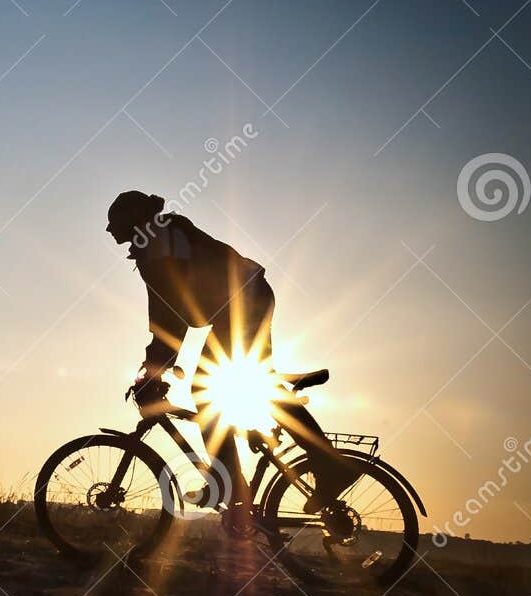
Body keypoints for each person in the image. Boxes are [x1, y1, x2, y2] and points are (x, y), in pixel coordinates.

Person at [105, 191, 358, 529]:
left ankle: (234, 482)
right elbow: (166, 317)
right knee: (247, 385)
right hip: (242, 302)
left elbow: (172, 317)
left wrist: (154, 370)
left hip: (243, 302)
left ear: (133, 220)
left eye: (114, 222)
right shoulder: (155, 243)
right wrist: (155, 365)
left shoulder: (160, 243)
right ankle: (244, 479)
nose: (109, 230)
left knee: (204, 389)